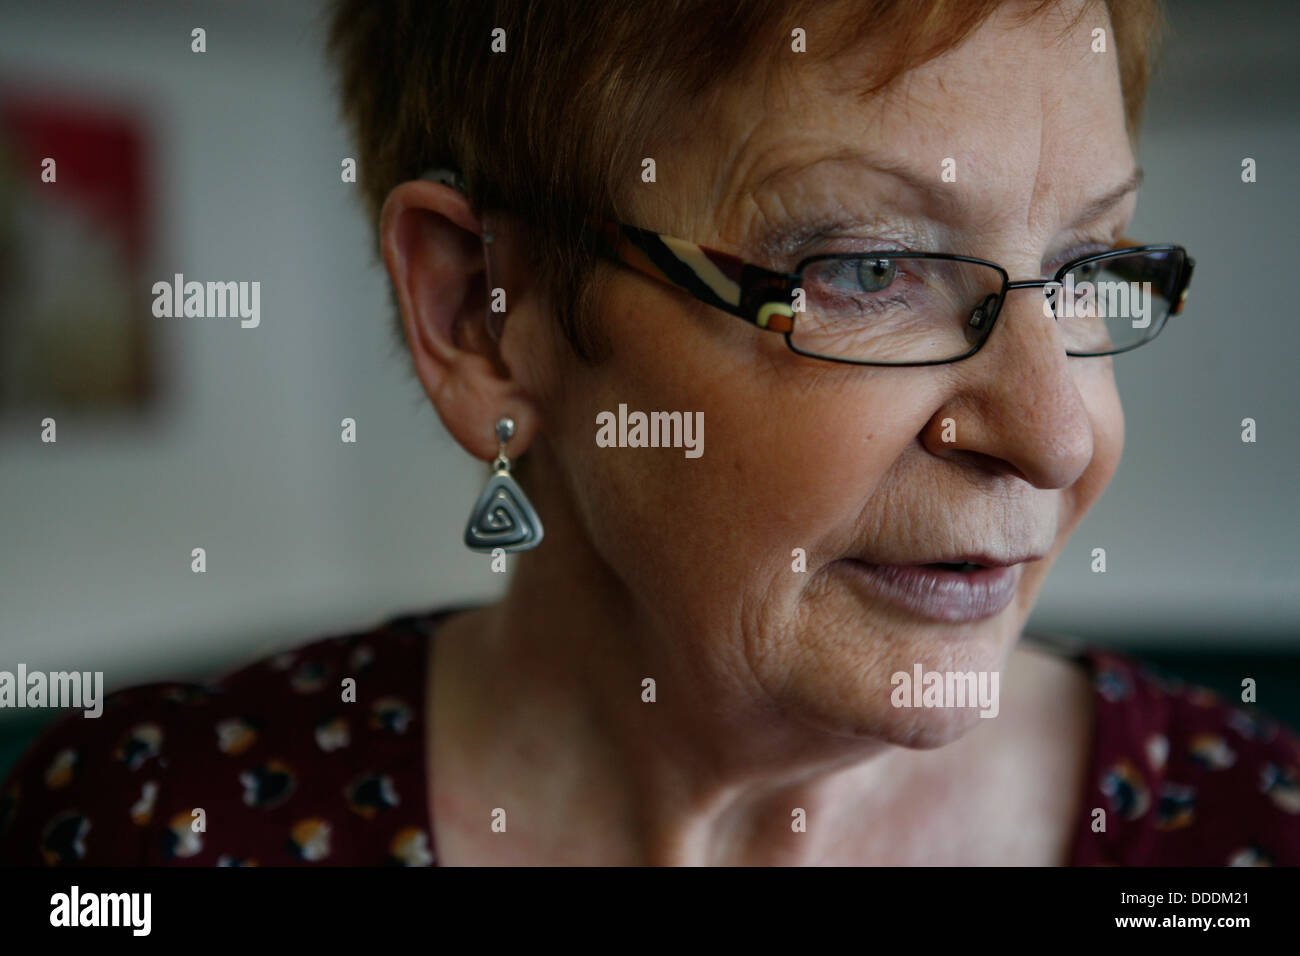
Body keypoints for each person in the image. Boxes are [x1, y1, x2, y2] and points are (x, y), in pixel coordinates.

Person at [2, 0, 1296, 866]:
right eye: (869, 269)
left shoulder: (1248, 833)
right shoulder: (148, 828)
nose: (1062, 435)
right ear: (483, 316)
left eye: (1083, 267)